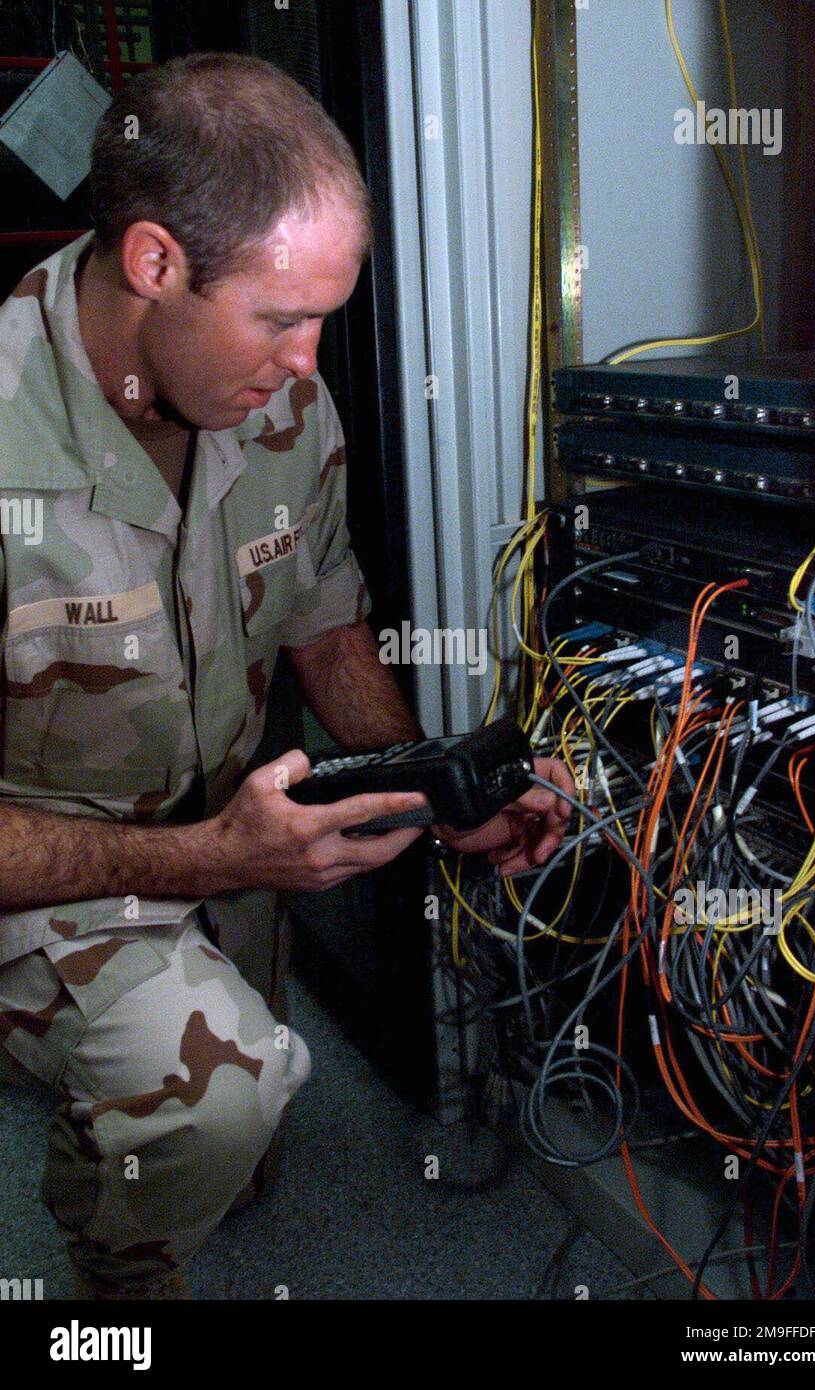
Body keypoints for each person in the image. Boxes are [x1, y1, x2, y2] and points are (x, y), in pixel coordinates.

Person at [0, 52, 574, 1300]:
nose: (308, 362)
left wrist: (434, 788)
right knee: (217, 1097)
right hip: (44, 871)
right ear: (155, 262)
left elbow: (323, 626)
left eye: (322, 316)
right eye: (278, 318)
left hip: (227, 846)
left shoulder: (280, 408)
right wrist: (205, 860)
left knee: (237, 1151)